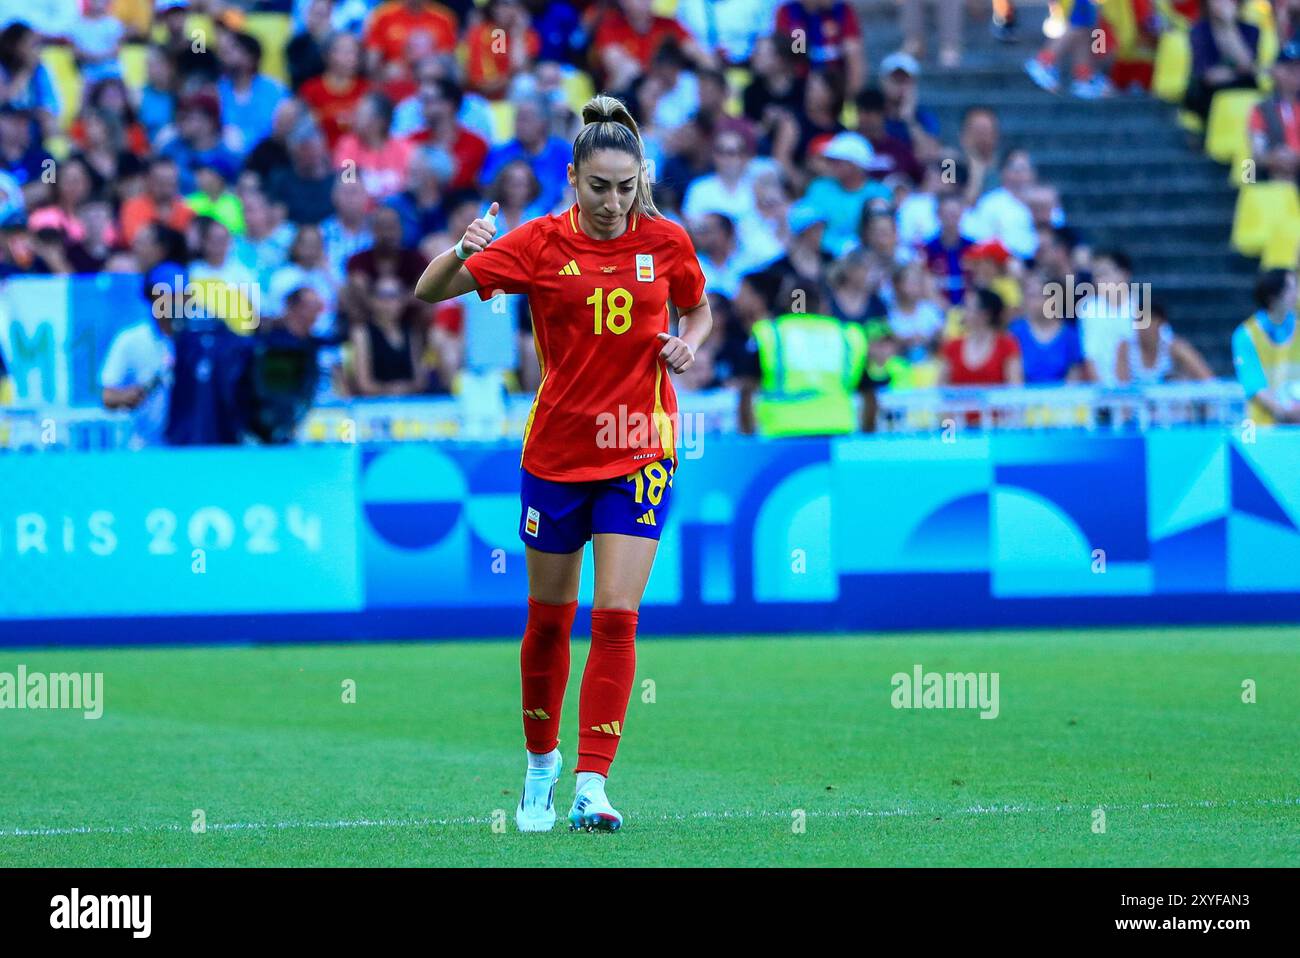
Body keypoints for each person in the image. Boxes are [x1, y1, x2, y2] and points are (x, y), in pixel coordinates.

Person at [414, 95, 711, 834]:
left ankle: (592, 784)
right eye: (599, 186)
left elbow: (698, 306)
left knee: (616, 616)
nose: (613, 202)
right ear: (573, 177)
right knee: (550, 621)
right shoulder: (540, 244)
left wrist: (689, 344)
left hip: (640, 449)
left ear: (640, 177)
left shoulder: (667, 240)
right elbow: (430, 290)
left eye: (625, 186)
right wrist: (464, 247)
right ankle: (540, 767)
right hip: (557, 454)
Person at [1231, 269, 1300, 423]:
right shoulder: (1245, 335)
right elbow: (1253, 385)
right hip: (1264, 432)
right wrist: (1285, 412)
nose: (1296, 294)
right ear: (1272, 296)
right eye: (1291, 288)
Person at [940, 287, 1023, 386]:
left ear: (985, 314)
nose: (963, 312)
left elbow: (1015, 389)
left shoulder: (1007, 345)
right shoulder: (952, 347)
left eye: (967, 307)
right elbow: (939, 389)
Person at [1116, 303, 1213, 384]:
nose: (1144, 329)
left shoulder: (1175, 347)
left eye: (1149, 322)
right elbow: (1122, 387)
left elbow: (1207, 378)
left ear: (1161, 324)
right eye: (1139, 322)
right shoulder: (1125, 348)